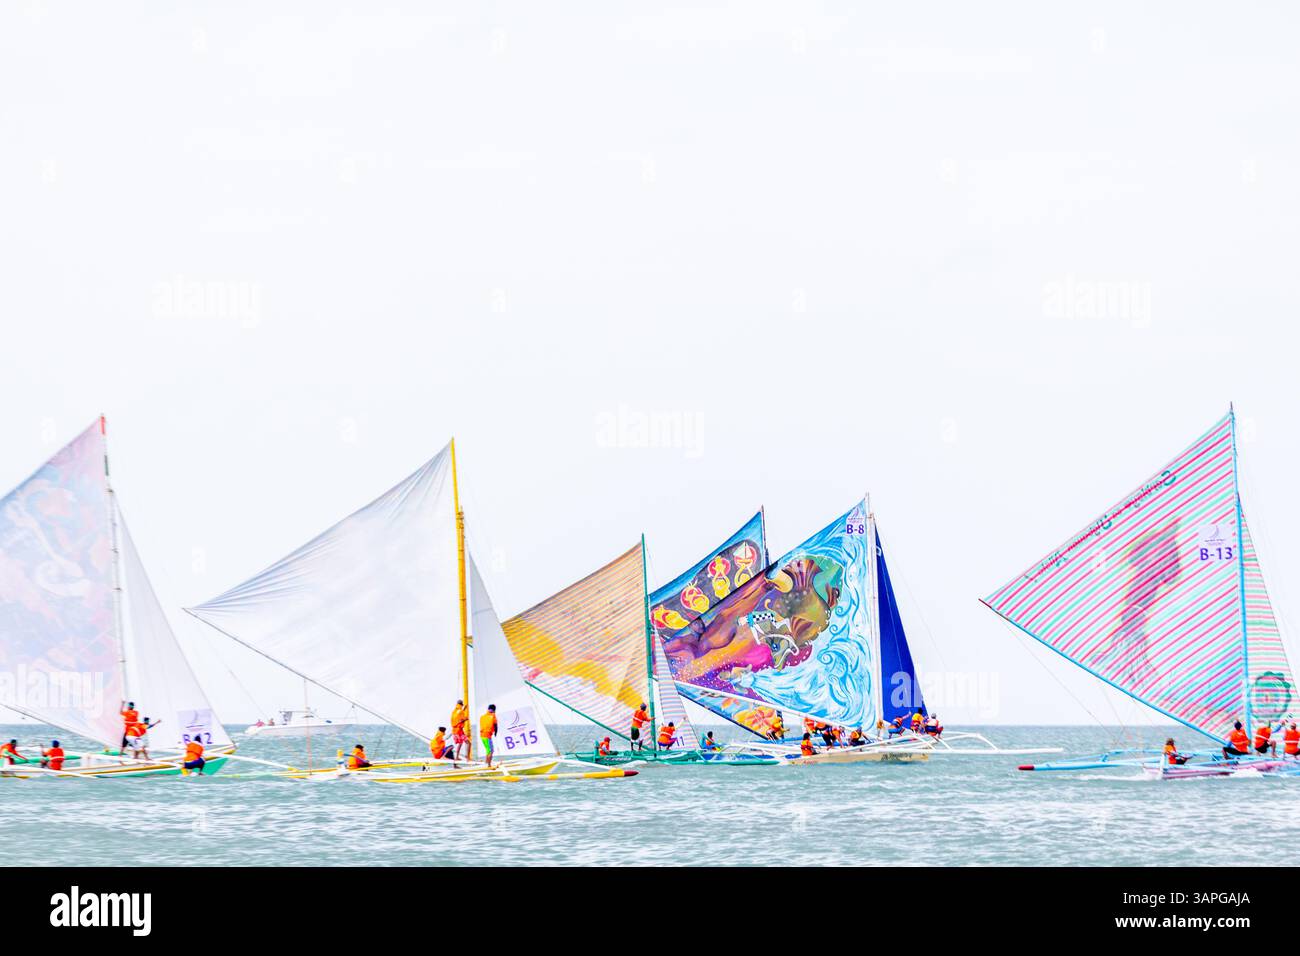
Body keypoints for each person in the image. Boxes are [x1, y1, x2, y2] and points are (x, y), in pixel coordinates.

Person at [480, 704, 498, 768]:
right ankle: (489, 765)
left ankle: (486, 762)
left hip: (482, 736)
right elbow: (495, 726)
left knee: (488, 750)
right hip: (487, 736)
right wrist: (496, 733)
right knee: (491, 750)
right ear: (494, 710)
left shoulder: (483, 716)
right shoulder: (493, 716)